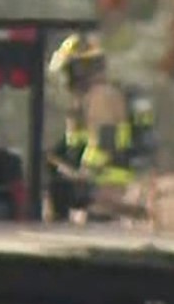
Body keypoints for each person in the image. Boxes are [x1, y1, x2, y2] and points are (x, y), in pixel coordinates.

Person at [45, 31, 155, 226]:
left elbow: (104, 141)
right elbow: (80, 142)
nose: (65, 77)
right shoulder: (89, 99)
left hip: (107, 188)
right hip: (104, 187)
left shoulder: (101, 96)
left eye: (68, 69)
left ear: (80, 69)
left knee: (100, 233)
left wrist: (85, 174)